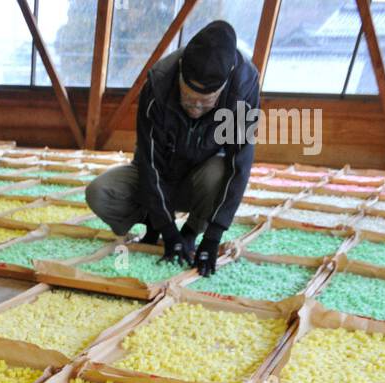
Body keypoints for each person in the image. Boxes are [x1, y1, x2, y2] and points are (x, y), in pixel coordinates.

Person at [85, 20, 259, 276]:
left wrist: (212, 236)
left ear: (222, 90)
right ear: (179, 75)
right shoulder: (159, 80)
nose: (195, 108)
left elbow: (239, 166)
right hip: (163, 174)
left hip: (199, 183)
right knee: (99, 192)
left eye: (205, 102)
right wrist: (165, 227)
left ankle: (189, 233)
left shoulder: (243, 87)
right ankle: (152, 224)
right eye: (188, 98)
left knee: (220, 171)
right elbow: (149, 161)